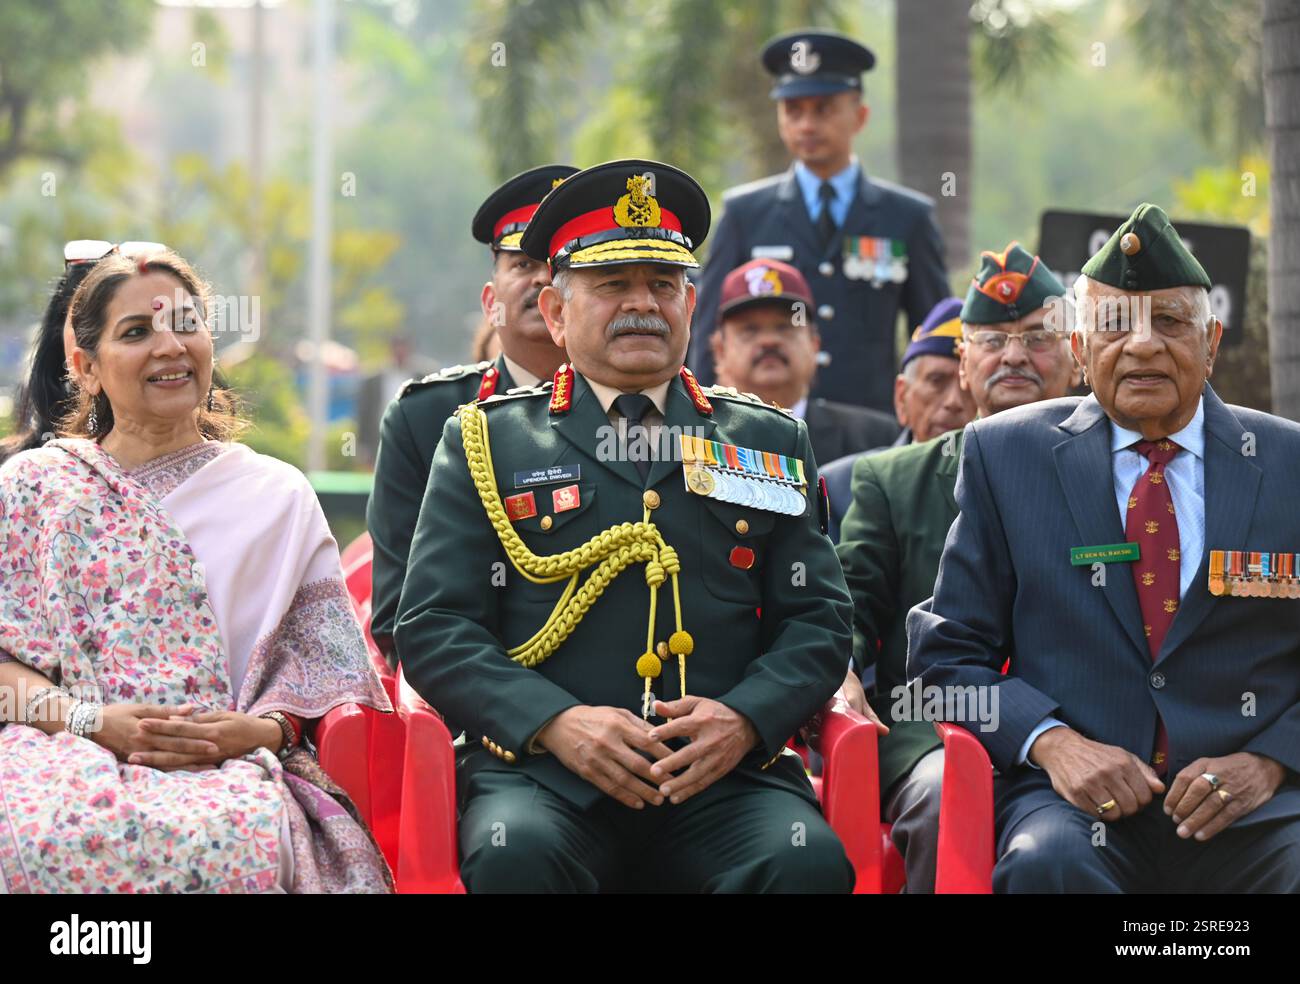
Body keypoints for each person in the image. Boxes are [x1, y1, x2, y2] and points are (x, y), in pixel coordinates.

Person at [395, 159, 855, 893]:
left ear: (690, 304)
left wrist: (741, 720)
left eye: (662, 285)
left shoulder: (763, 440)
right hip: (546, 776)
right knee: (516, 856)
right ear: (554, 312)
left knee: (803, 862)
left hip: (724, 777)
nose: (642, 304)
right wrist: (555, 723)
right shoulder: (486, 441)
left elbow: (820, 621)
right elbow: (434, 626)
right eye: (613, 285)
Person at [908, 204, 1300, 893]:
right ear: (1081, 352)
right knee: (1043, 867)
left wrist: (1271, 761)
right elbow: (944, 660)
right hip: (1074, 806)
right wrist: (1054, 744)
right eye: (1115, 325)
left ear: (1212, 341)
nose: (1144, 346)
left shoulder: (1288, 461)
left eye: (1171, 323)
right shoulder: (1007, 456)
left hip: (1259, 812)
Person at [0, 250, 392, 893]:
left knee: (231, 840)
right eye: (137, 333)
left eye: (187, 324)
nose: (170, 347)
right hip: (64, 749)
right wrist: (90, 723)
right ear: (85, 368)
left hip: (233, 763)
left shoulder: (275, 496)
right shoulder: (35, 487)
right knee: (49, 837)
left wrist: (257, 731)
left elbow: (326, 676)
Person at [835, 242, 1079, 891]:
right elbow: (842, 607)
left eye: (1037, 337)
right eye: (993, 341)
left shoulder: (1119, 471)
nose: (1016, 356)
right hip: (929, 728)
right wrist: (839, 672)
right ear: (964, 363)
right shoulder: (893, 481)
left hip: (1080, 728)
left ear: (1076, 355)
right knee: (949, 793)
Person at [366, 165, 575, 665]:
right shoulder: (425, 418)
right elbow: (400, 616)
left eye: (561, 265)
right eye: (523, 264)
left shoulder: (645, 416)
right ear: (490, 301)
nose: (543, 277)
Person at [688, 29, 948, 414]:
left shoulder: (906, 218)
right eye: (794, 110)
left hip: (872, 428)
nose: (807, 125)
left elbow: (934, 335)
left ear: (859, 115)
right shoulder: (745, 213)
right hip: (763, 425)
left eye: (823, 109)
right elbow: (708, 333)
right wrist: (709, 422)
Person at [708, 257, 898, 463]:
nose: (769, 341)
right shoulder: (693, 437)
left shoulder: (876, 440)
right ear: (720, 350)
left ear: (814, 344)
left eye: (785, 327)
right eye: (750, 329)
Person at [820, 296, 975, 540]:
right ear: (902, 396)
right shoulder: (838, 487)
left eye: (969, 386)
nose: (954, 402)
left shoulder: (998, 485)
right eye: (937, 381)